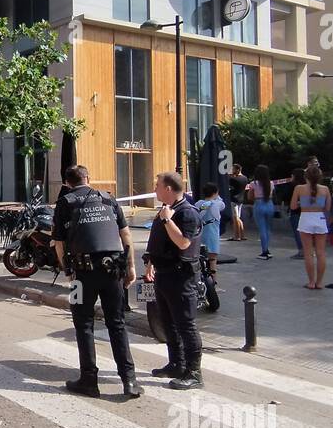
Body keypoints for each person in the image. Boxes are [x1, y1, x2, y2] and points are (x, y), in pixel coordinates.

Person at [51, 165, 141, 399]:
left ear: (67, 183)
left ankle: (89, 380)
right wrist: (131, 267)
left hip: (81, 275)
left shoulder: (65, 202)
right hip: (113, 272)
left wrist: (67, 271)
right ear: (88, 178)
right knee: (117, 323)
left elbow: (59, 243)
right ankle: (129, 380)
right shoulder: (109, 199)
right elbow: (126, 235)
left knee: (83, 324)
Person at [144, 171, 205, 390]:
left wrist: (168, 220)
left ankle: (194, 373)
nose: (155, 189)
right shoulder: (166, 210)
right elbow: (159, 241)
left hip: (181, 276)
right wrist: (150, 262)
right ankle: (176, 363)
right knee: (168, 322)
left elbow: (183, 243)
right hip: (164, 273)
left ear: (168, 188)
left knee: (186, 325)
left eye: (157, 185)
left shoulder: (187, 213)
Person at [291, 165, 332, 289]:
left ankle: (311, 282)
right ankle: (319, 282)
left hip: (305, 218)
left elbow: (293, 207)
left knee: (308, 253)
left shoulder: (299, 188)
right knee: (321, 253)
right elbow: (327, 208)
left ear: (306, 177)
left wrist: (302, 203)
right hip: (320, 218)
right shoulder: (325, 189)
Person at [196, 182, 224, 276]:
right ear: (216, 193)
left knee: (199, 261)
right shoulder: (217, 204)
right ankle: (213, 285)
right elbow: (222, 204)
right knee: (212, 262)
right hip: (212, 237)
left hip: (200, 236)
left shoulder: (198, 204)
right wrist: (217, 195)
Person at [249, 164, 276, 260]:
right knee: (268, 228)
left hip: (259, 203)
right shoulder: (271, 183)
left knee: (262, 228)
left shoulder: (253, 184)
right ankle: (267, 249)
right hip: (269, 203)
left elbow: (250, 197)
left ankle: (264, 251)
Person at [281, 168, 307, 259]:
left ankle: (301, 251)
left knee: (297, 232)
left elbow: (285, 196)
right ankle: (309, 250)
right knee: (307, 232)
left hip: (295, 211)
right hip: (307, 211)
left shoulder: (293, 186)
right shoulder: (307, 186)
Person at [227, 164, 248, 242]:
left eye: (233, 169)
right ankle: (242, 235)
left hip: (234, 200)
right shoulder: (245, 178)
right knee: (238, 218)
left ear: (238, 170)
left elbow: (228, 181)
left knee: (236, 218)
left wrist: (229, 175)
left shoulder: (234, 179)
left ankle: (236, 236)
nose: (232, 171)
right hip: (241, 199)